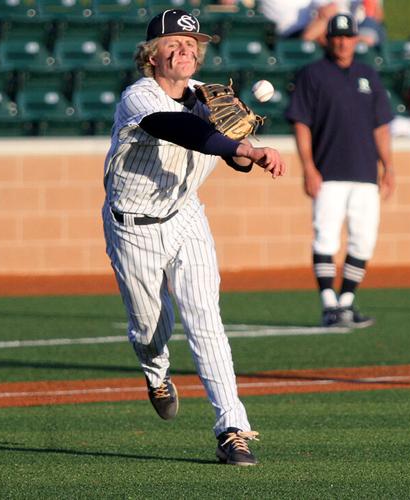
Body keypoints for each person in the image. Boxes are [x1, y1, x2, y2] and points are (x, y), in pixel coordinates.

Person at [102, 9, 286, 466]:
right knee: (150, 328)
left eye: (192, 44)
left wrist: (247, 152)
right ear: (151, 55)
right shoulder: (138, 97)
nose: (186, 49)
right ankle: (156, 371)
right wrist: (242, 145)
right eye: (174, 43)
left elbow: (233, 160)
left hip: (186, 218)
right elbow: (179, 128)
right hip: (134, 226)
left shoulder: (210, 97)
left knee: (206, 320)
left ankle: (233, 429)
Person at [285, 13, 394, 328]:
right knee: (326, 239)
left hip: (364, 174)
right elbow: (301, 124)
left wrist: (389, 167)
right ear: (327, 39)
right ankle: (328, 304)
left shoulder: (368, 75)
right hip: (328, 171)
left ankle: (345, 302)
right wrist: (308, 167)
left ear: (356, 39)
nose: (343, 42)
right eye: (337, 37)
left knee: (363, 240)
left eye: (349, 37)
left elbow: (381, 128)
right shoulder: (312, 74)